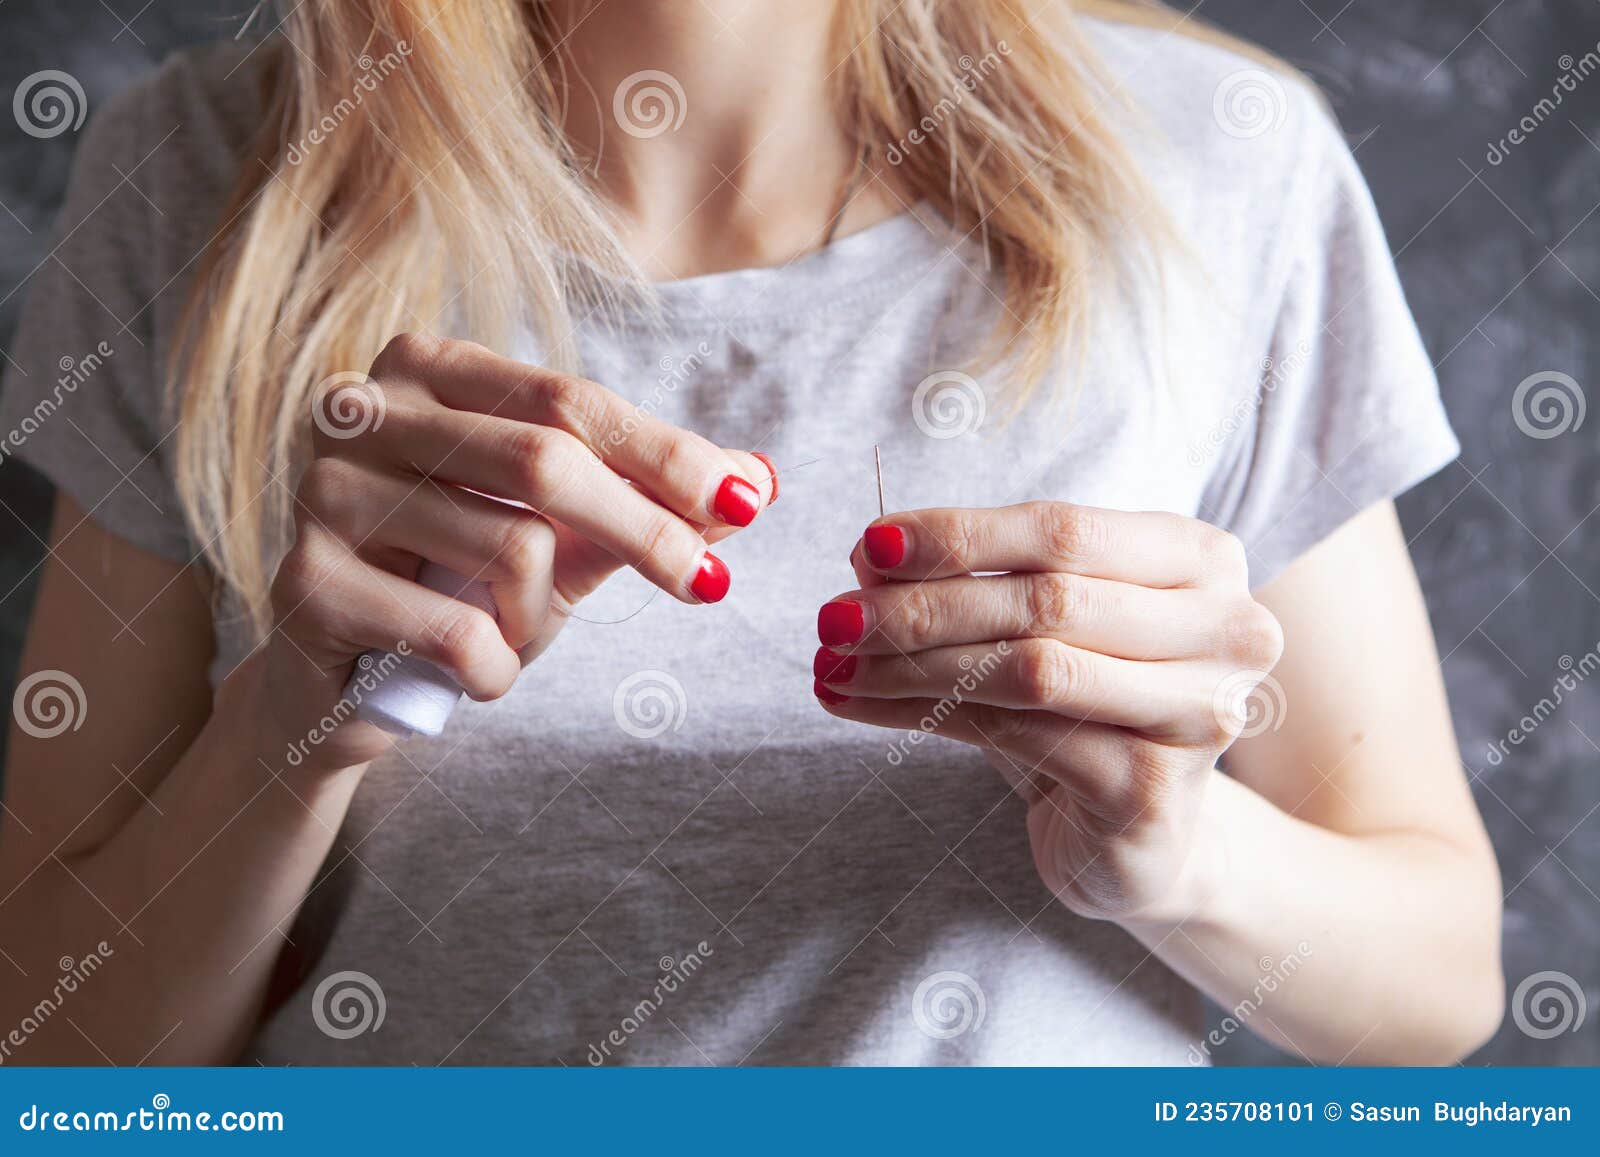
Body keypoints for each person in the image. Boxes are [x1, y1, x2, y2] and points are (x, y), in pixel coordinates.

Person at [0, 0, 1502, 1065]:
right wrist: (294, 722)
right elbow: (51, 1064)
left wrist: (1178, 851)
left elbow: (1441, 986)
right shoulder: (208, 180)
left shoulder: (1219, 166)